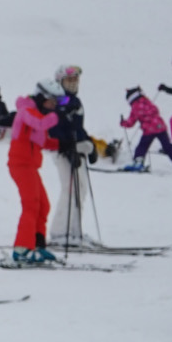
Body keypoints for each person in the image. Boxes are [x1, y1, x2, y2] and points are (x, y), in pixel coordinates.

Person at [7, 84, 62, 266]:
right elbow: (40, 123)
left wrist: (65, 144)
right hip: (20, 164)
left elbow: (43, 141)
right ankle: (22, 248)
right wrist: (59, 114)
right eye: (50, 102)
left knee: (43, 205)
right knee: (31, 205)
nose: (52, 107)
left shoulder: (39, 114)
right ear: (40, 98)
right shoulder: (26, 111)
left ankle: (37, 245)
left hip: (30, 166)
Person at [51, 64, 95, 246]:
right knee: (70, 189)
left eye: (75, 80)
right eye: (69, 80)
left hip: (77, 149)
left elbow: (77, 127)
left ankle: (75, 231)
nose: (73, 83)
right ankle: (60, 232)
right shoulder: (59, 100)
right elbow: (57, 127)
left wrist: (88, 143)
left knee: (81, 189)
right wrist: (69, 148)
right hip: (63, 150)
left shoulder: (75, 101)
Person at [119, 85, 172, 175]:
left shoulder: (135, 107)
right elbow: (156, 111)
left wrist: (123, 123)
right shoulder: (148, 102)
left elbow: (131, 122)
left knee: (142, 146)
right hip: (161, 127)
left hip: (149, 130)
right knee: (167, 146)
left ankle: (139, 163)